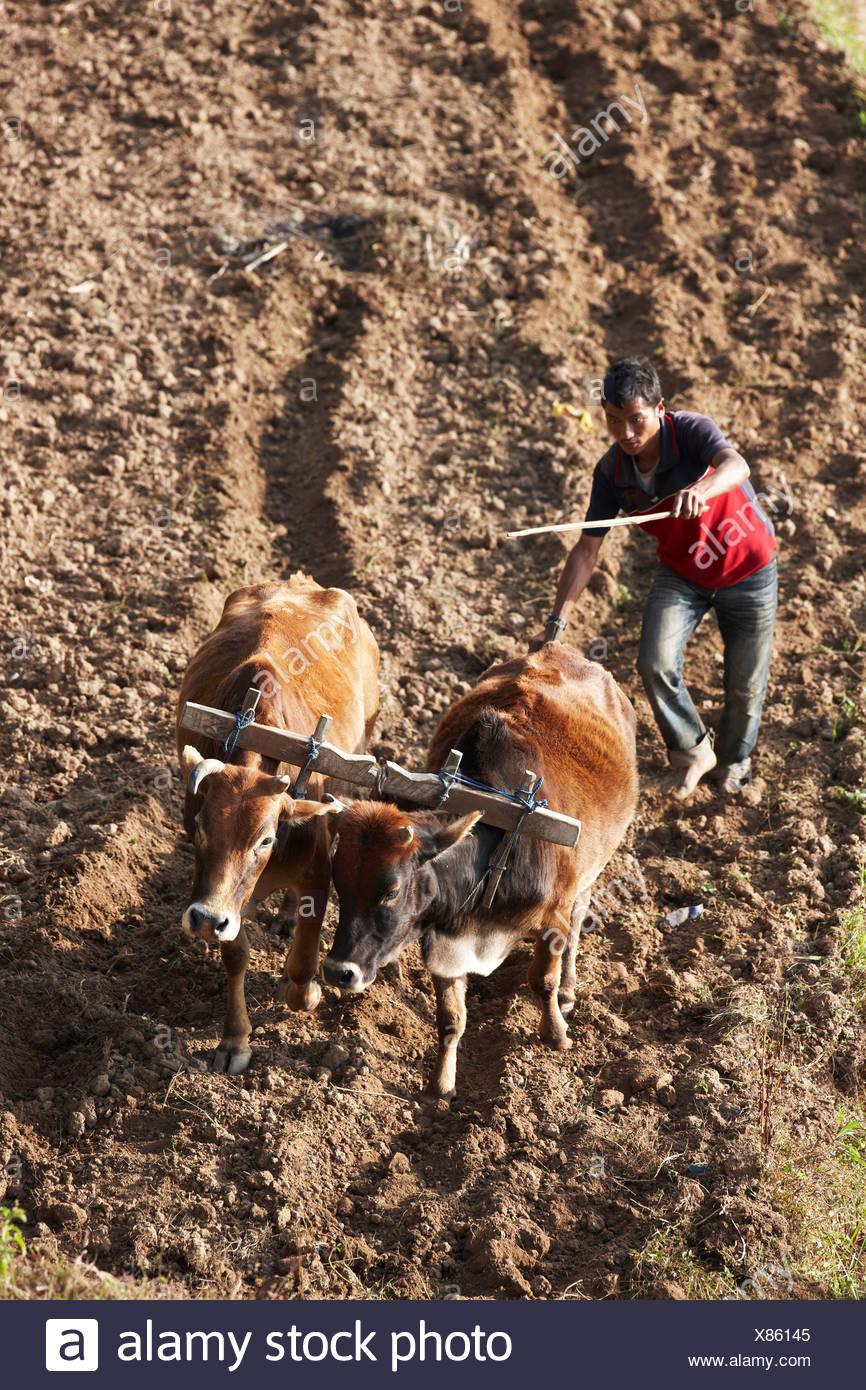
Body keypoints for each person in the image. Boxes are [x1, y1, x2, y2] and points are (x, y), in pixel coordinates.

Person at [529, 357, 777, 799]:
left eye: (636, 420)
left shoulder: (691, 431)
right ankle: (692, 751)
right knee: (654, 662)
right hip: (683, 574)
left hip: (748, 568)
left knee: (745, 682)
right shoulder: (612, 475)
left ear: (660, 409)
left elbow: (737, 466)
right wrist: (556, 622)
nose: (625, 434)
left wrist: (699, 490)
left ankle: (736, 760)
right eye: (612, 421)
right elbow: (588, 549)